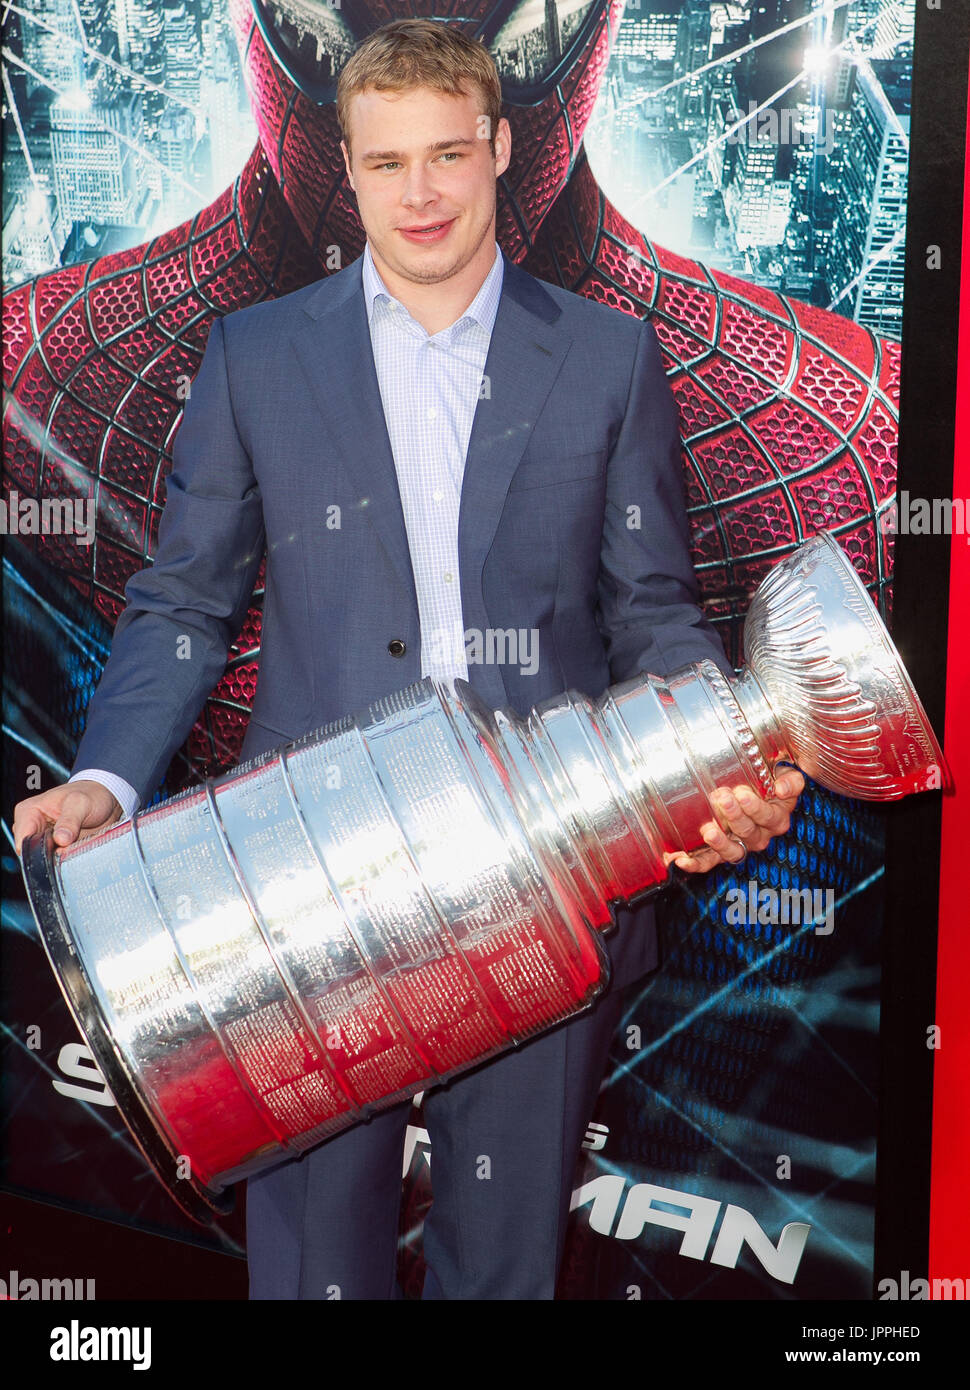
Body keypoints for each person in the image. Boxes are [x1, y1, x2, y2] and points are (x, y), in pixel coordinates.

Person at [13, 20, 803, 1300]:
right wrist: (106, 783)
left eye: (447, 152)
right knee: (313, 1273)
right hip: (300, 886)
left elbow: (655, 613)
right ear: (348, 167)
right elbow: (182, 602)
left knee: (502, 1272)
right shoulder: (258, 354)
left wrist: (706, 764)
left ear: (500, 147)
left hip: (548, 864)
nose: (421, 192)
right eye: (387, 164)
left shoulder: (608, 358)